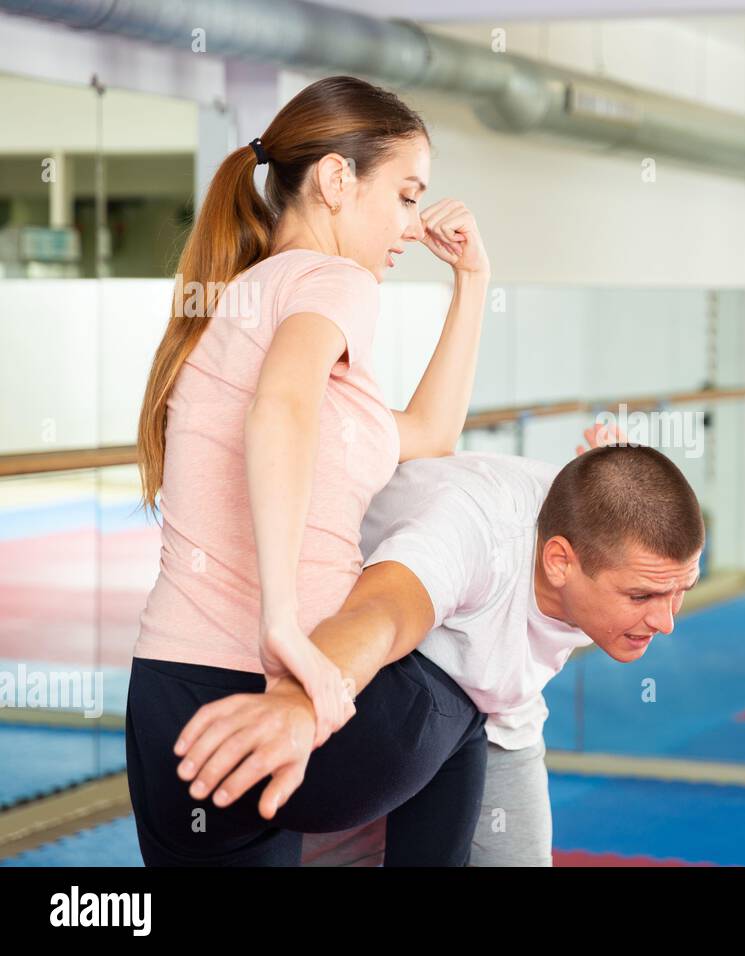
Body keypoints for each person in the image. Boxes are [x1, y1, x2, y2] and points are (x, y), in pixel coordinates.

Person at [127, 75, 494, 866]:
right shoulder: (336, 281)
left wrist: (472, 285)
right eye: (403, 195)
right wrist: (282, 623)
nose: (409, 224)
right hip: (272, 692)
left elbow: (427, 431)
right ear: (336, 180)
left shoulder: (241, 299)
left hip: (167, 698)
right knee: (475, 694)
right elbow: (280, 408)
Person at [169, 441, 705, 866]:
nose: (666, 622)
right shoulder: (471, 532)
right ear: (559, 561)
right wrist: (299, 700)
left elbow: (622, 504)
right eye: (642, 597)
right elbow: (379, 615)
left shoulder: (605, 530)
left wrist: (612, 458)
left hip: (496, 708)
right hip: (387, 696)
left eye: (681, 589)